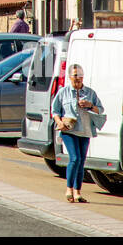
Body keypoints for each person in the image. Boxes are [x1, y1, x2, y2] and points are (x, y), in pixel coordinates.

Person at [51, 63, 103, 203]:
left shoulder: (90, 93)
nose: (78, 78)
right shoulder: (63, 92)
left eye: (80, 75)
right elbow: (55, 111)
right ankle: (69, 189)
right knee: (74, 158)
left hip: (85, 131)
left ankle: (77, 192)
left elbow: (100, 110)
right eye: (75, 75)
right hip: (69, 130)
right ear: (69, 77)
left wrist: (90, 105)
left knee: (81, 162)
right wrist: (59, 122)